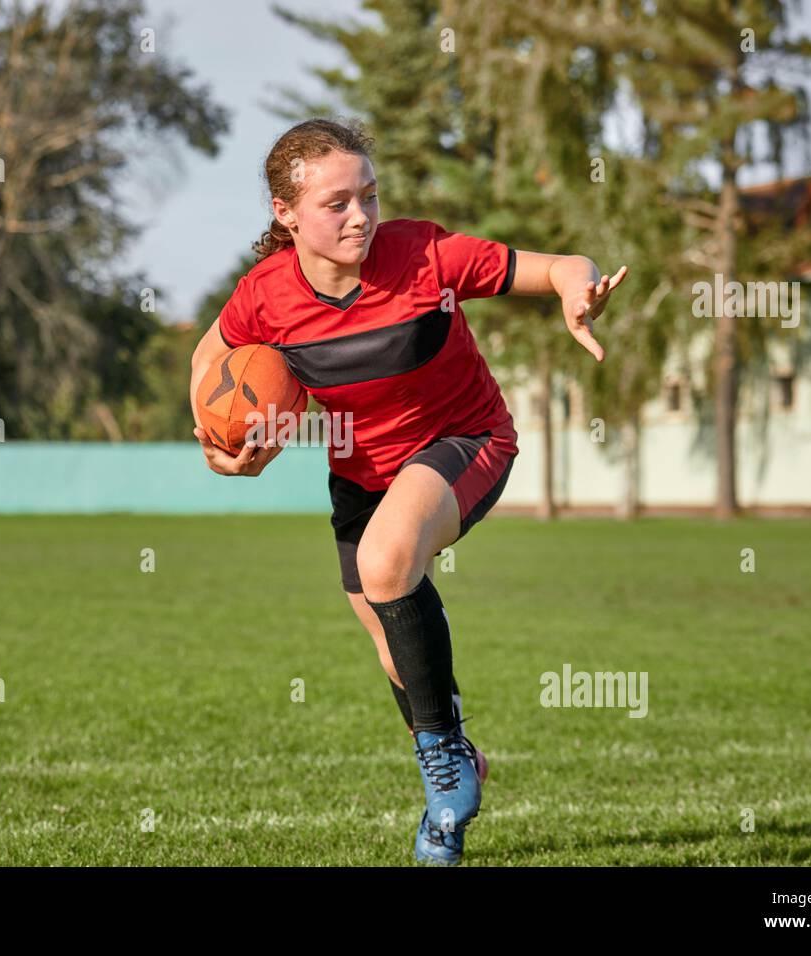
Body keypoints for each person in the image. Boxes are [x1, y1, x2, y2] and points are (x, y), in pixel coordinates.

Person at [188, 118, 627, 865]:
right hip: (361, 474)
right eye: (336, 204)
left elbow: (554, 265)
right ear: (284, 212)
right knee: (395, 649)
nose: (360, 215)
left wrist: (575, 287)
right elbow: (213, 355)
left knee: (388, 566)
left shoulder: (425, 254)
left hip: (465, 440)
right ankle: (458, 755)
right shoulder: (264, 295)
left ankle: (444, 776)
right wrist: (217, 440)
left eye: (369, 195)